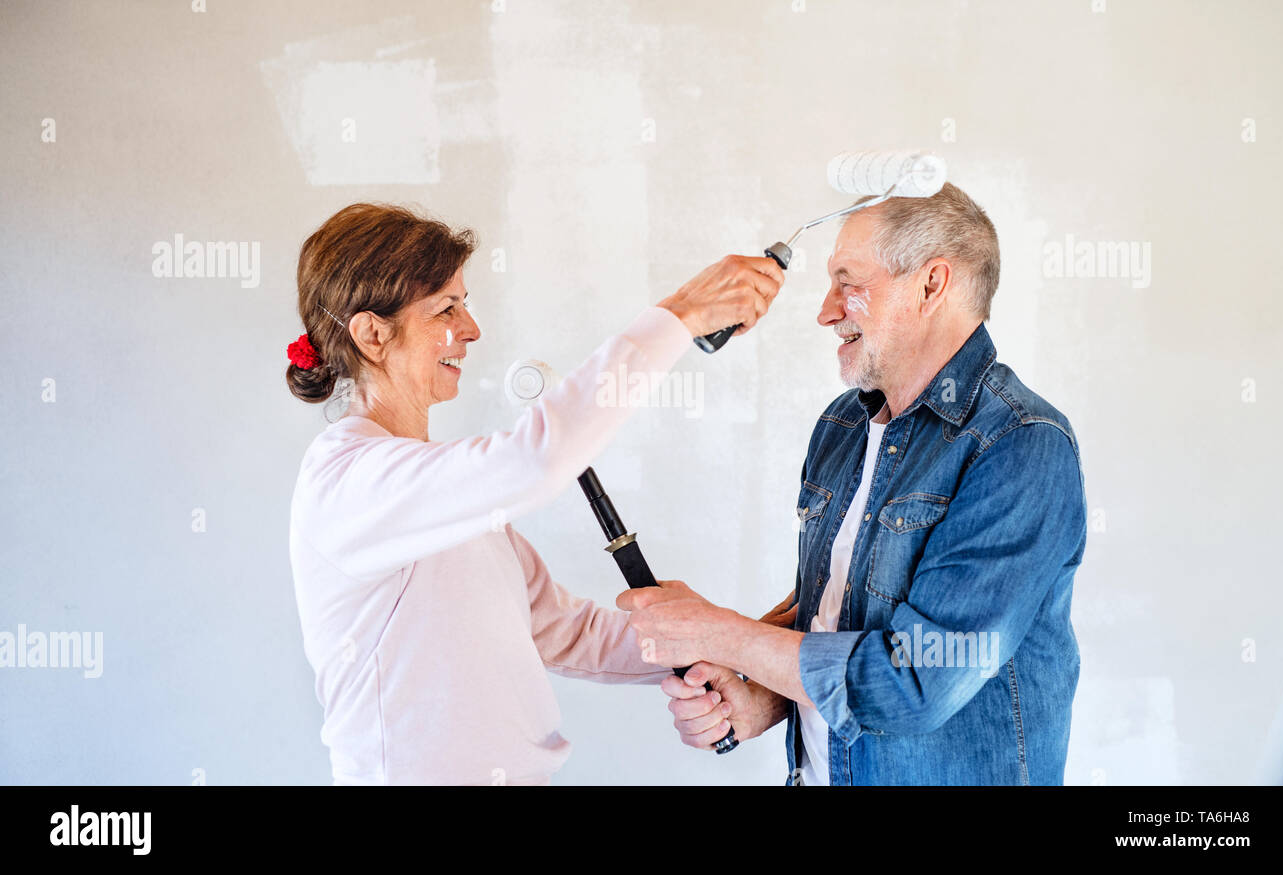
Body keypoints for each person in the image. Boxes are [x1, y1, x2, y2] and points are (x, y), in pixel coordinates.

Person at [284, 202, 782, 784]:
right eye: (446, 308)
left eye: (465, 304)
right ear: (373, 333)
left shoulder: (437, 493)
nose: (470, 329)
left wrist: (719, 642)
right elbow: (537, 459)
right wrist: (680, 316)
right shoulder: (349, 481)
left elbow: (570, 634)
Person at [619, 182, 1087, 785]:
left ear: (931, 284)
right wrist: (761, 692)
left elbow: (916, 680)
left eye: (849, 282)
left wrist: (720, 634)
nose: (826, 309)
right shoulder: (843, 427)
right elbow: (835, 615)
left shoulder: (1020, 443)